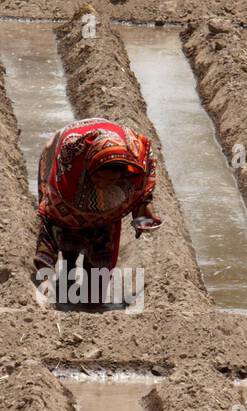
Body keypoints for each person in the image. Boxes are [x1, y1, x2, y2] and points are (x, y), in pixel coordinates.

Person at [33, 118, 161, 306]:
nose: (104, 184)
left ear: (121, 174)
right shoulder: (68, 165)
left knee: (95, 292)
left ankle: (90, 285)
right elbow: (55, 212)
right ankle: (66, 268)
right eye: (100, 178)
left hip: (108, 155)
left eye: (111, 180)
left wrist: (143, 209)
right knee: (63, 228)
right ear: (90, 170)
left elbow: (144, 185)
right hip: (67, 164)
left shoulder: (133, 161)